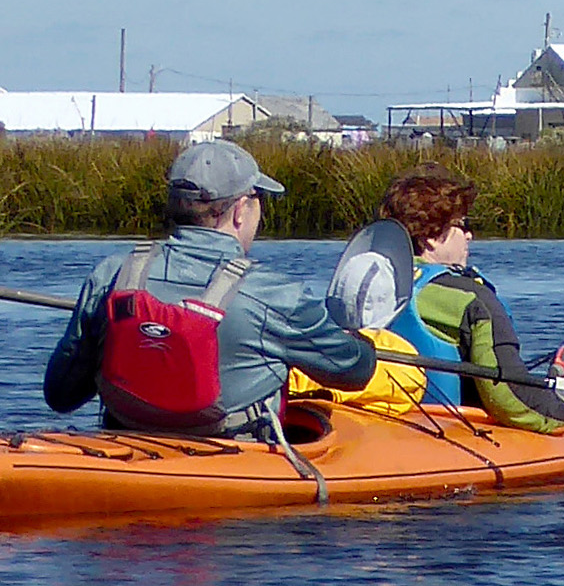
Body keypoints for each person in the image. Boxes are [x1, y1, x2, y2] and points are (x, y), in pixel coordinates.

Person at [47, 140, 378, 435]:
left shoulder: (111, 274)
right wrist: (361, 342)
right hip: (236, 460)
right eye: (258, 198)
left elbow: (61, 394)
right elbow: (354, 371)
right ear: (239, 211)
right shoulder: (278, 294)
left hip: (125, 440)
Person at [332, 166, 564, 433]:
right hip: (445, 431)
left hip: (371, 425)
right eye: (463, 225)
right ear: (432, 238)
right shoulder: (470, 298)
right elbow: (511, 398)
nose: (469, 235)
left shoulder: (359, 285)